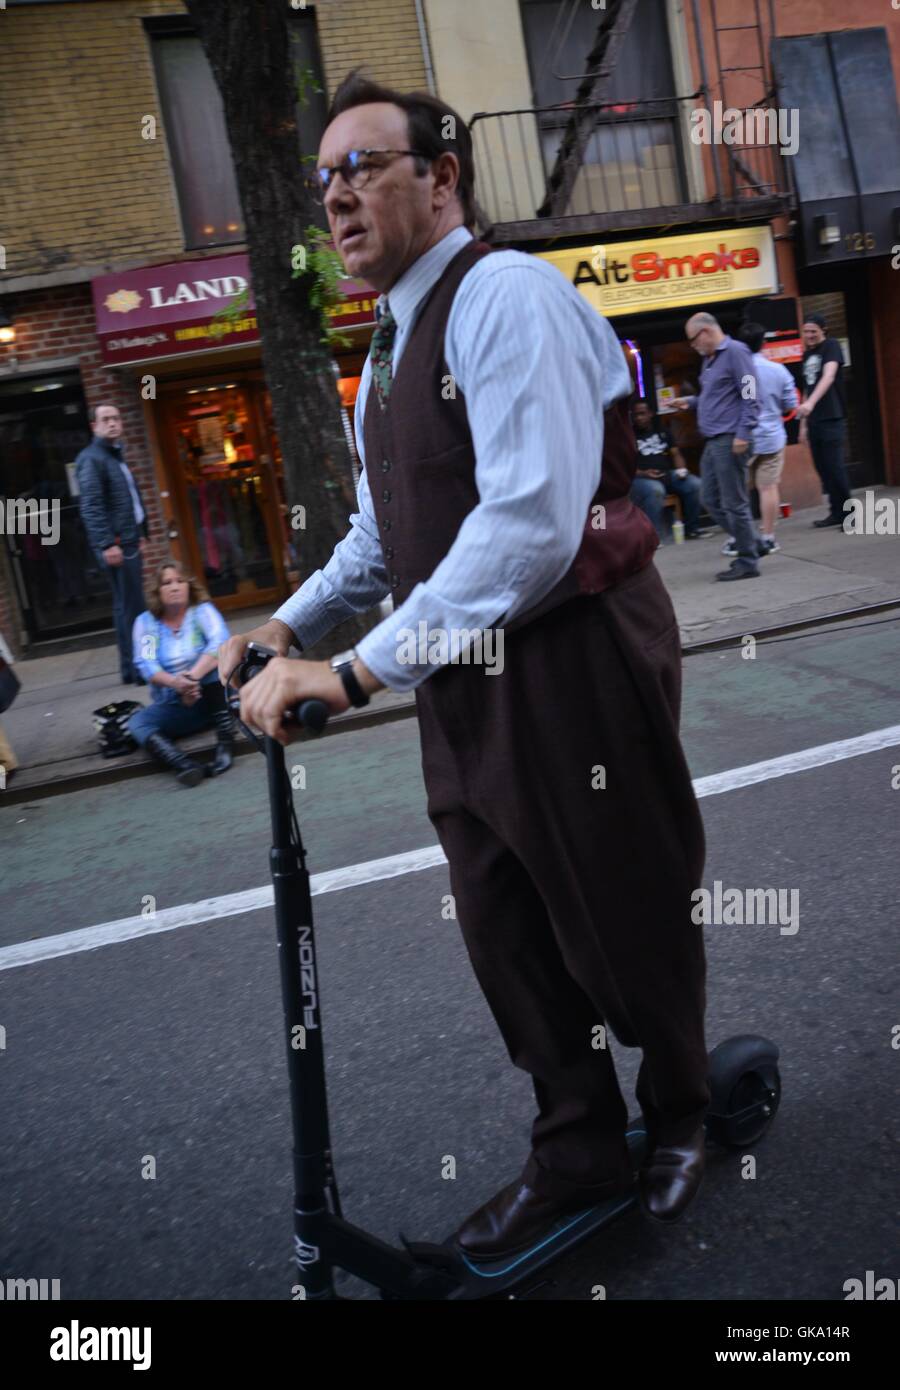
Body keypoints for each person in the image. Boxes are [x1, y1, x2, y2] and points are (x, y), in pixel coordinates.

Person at [220, 72, 709, 1256]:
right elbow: (387, 536)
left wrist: (352, 677)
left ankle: (684, 1103)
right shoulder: (387, 350)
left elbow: (530, 528)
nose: (334, 196)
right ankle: (578, 1142)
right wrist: (290, 627)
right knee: (505, 923)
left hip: (572, 656)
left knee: (619, 901)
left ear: (441, 179)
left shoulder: (506, 300)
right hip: (462, 677)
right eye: (324, 175)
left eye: (364, 167)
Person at [129, 561, 236, 788]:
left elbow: (220, 641)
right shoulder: (145, 623)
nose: (175, 587)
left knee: (214, 665)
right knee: (137, 723)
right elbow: (146, 663)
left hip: (214, 697)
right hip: (176, 703)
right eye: (167, 583)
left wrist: (192, 677)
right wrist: (176, 684)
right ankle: (185, 765)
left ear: (189, 586)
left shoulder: (202, 611)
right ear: (157, 592)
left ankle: (226, 745)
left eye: (180, 581)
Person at [672, 313, 762, 581]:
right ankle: (754, 543)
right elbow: (713, 397)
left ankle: (747, 561)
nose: (692, 346)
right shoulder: (709, 361)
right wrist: (690, 402)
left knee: (734, 502)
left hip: (731, 438)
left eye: (692, 340)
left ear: (706, 332)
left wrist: (744, 433)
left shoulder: (736, 352)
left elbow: (750, 395)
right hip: (714, 440)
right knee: (709, 498)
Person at [75, 405, 150, 684]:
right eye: (106, 419)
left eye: (116, 418)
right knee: (133, 608)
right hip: (116, 544)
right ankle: (139, 669)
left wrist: (140, 533)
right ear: (94, 425)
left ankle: (132, 669)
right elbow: (91, 507)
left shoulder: (114, 456)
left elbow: (128, 500)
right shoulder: (91, 459)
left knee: (128, 606)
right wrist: (108, 544)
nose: (113, 423)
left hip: (128, 540)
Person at [733, 322, 800, 556]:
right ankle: (768, 537)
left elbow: (745, 403)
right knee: (768, 488)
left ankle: (740, 539)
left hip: (746, 439)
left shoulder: (745, 372)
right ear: (764, 343)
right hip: (772, 438)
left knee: (739, 491)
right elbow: (790, 405)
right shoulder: (778, 370)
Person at [796, 312, 852, 528]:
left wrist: (811, 404)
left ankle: (850, 514)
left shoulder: (831, 346)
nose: (809, 335)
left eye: (813, 331)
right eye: (806, 331)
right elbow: (807, 389)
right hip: (814, 420)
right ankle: (836, 512)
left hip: (832, 416)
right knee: (823, 468)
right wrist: (803, 424)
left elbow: (828, 376)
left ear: (823, 331)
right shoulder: (807, 355)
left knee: (835, 467)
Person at [630, 399, 705, 540]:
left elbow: (676, 453)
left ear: (650, 414)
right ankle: (653, 537)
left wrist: (681, 469)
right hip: (641, 479)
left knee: (695, 484)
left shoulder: (661, 431)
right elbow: (624, 466)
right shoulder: (629, 436)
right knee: (656, 490)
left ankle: (691, 529)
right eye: (636, 415)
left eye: (642, 414)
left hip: (666, 474)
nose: (639, 418)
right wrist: (644, 473)